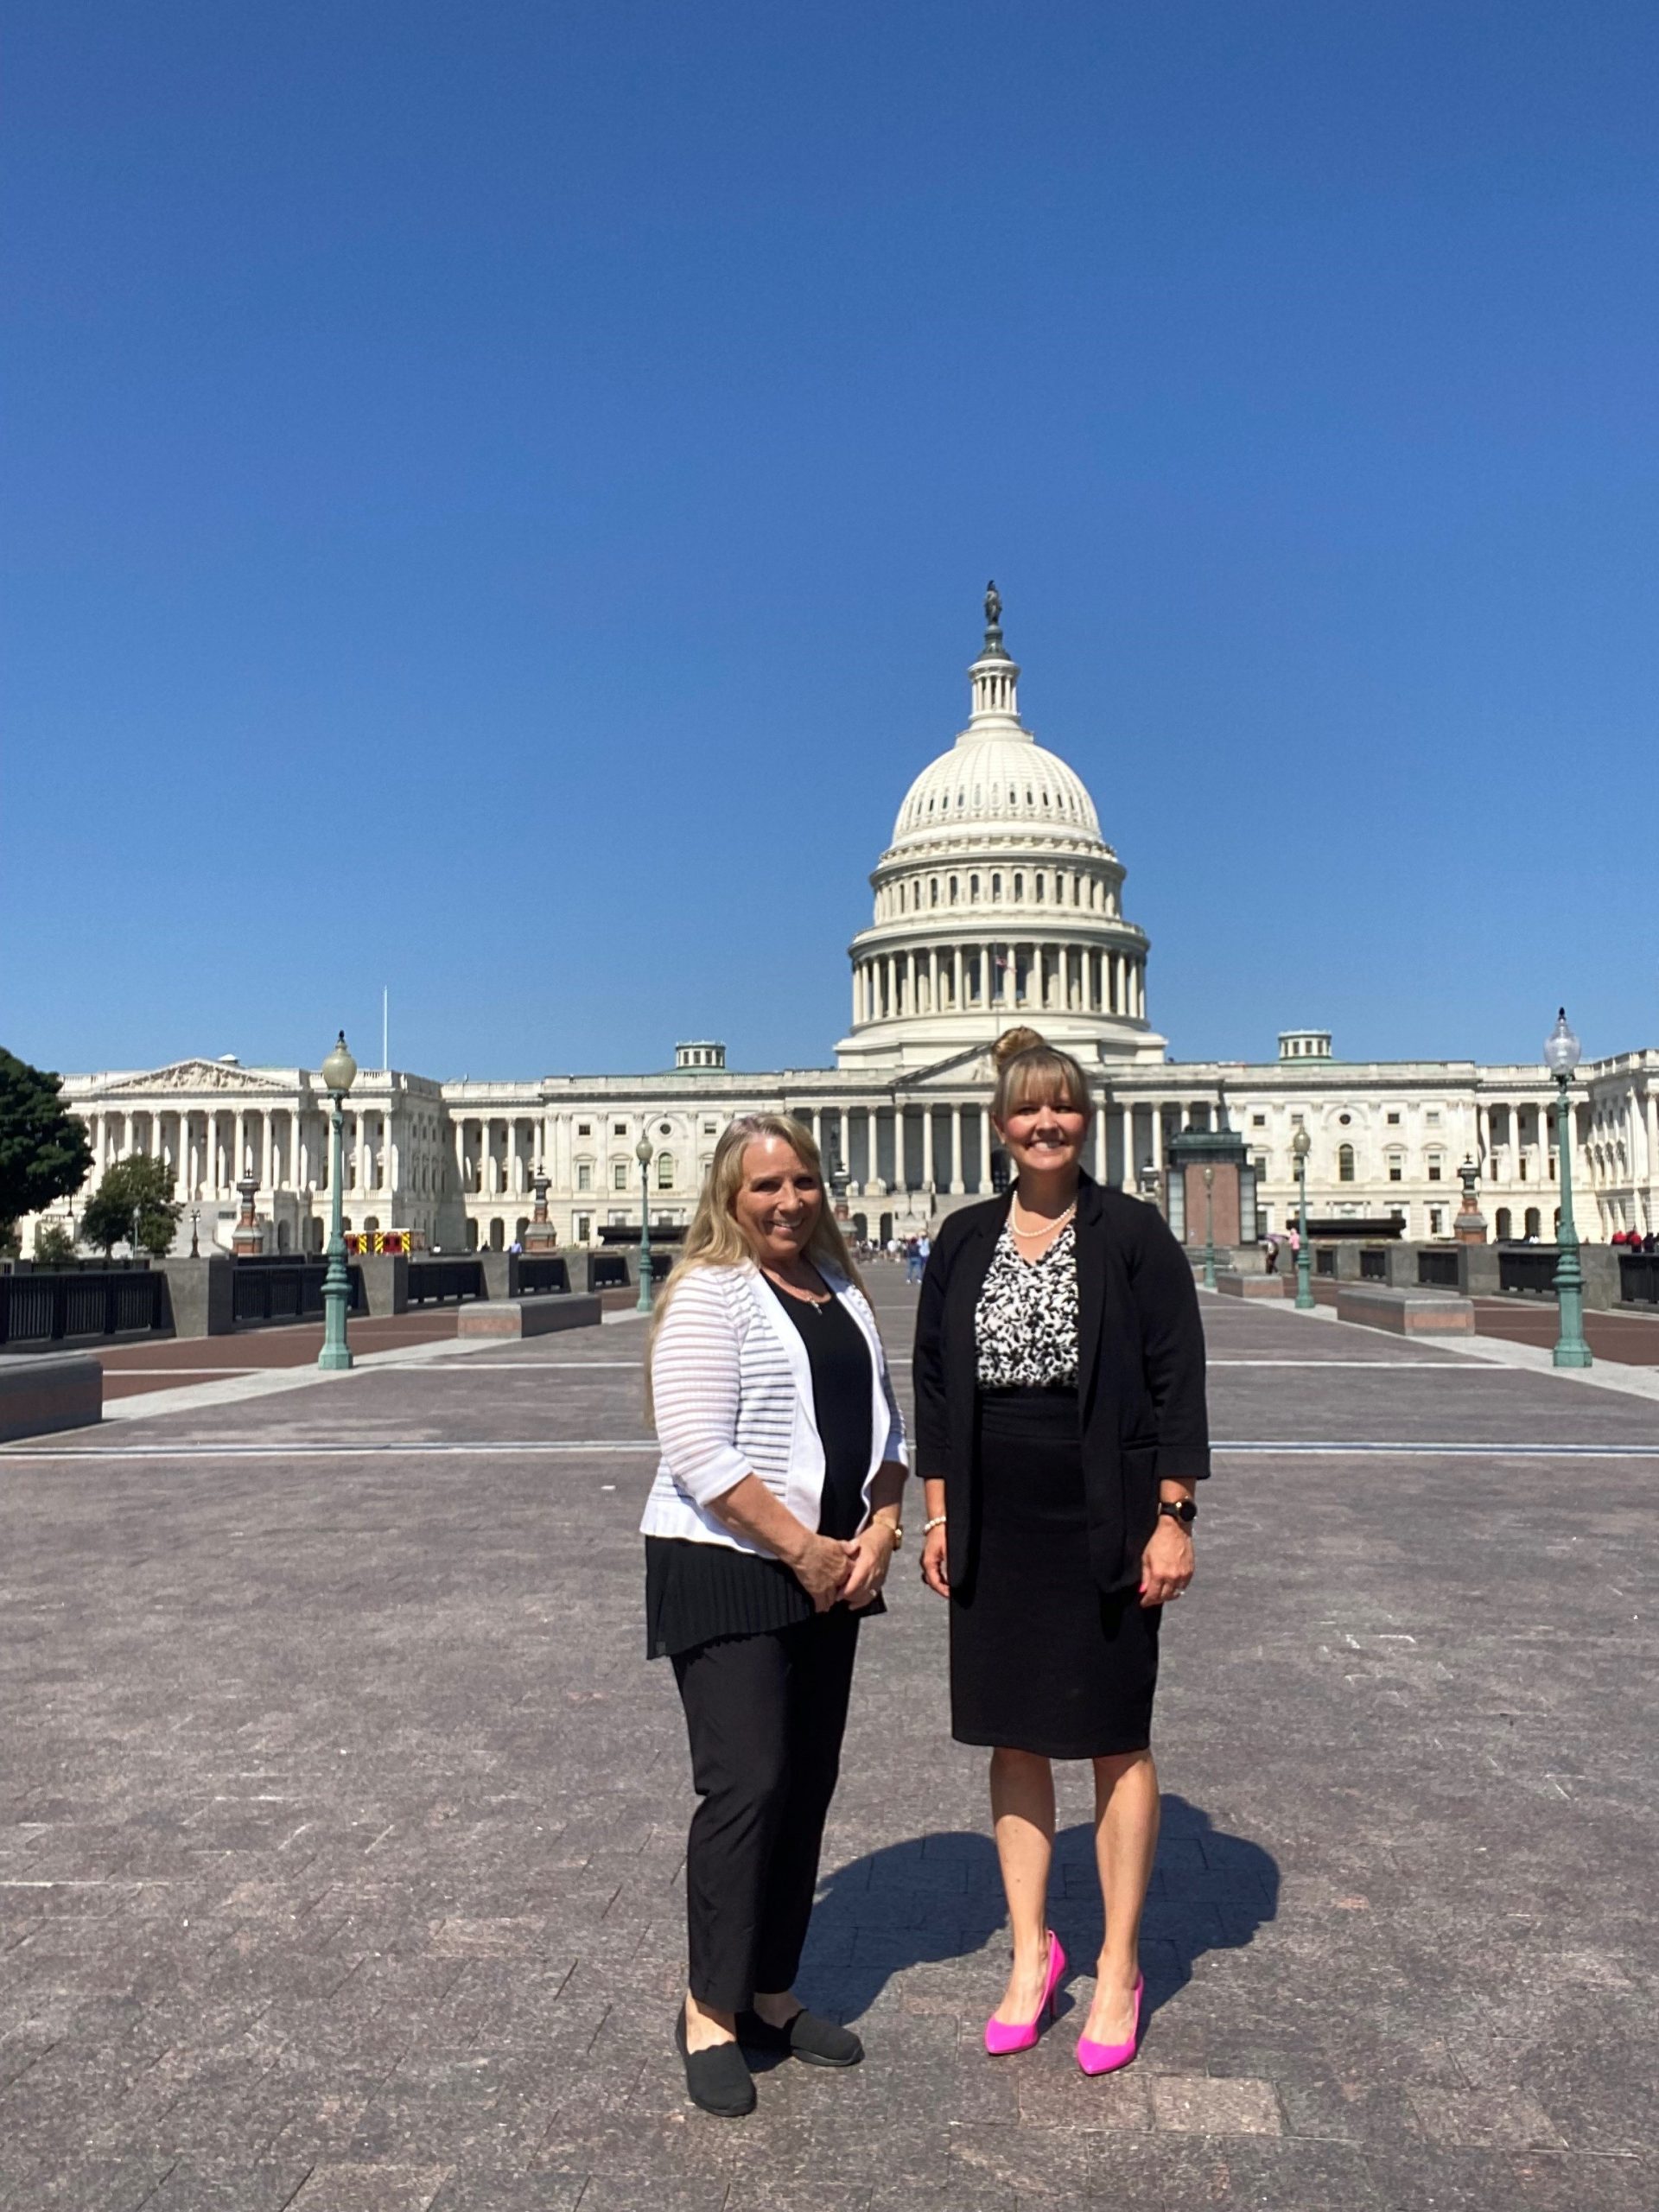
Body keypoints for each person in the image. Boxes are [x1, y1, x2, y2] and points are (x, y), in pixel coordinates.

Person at [914, 1027, 1210, 2076]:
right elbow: (939, 1388)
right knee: (1014, 1733)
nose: (1045, 1125)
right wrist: (941, 1515)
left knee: (1115, 1732)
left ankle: (1120, 1964)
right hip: (998, 1511)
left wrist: (1174, 1514)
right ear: (1000, 1126)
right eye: (1027, 1111)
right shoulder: (960, 1238)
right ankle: (1032, 1950)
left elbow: (1178, 1377)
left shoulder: (1132, 1234)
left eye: (1064, 1108)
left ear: (1087, 1119)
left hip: (1108, 1509)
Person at [642, 1113, 909, 2118]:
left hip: (835, 1567)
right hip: (732, 1562)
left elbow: (883, 1427)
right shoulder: (709, 1294)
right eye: (766, 1185)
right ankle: (709, 2005)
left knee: (805, 1782)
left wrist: (880, 1525)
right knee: (747, 1783)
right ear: (729, 1196)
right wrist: (803, 1548)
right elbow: (700, 1453)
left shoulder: (843, 1290)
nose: (788, 1199)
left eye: (802, 1180)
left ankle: (770, 1990)